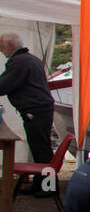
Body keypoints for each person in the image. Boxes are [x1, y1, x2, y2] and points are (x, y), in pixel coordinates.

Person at [0, 32, 56, 166]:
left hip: (35, 111)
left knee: (41, 150)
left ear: (11, 46)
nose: (1, 50)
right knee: (41, 148)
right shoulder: (30, 59)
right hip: (41, 109)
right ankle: (43, 183)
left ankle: (47, 186)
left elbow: (3, 86)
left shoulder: (19, 62)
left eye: (2, 46)